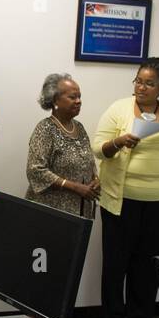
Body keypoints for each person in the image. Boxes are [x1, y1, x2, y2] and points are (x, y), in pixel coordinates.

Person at [93, 58, 159, 318]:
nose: (141, 87)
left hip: (158, 202)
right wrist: (119, 142)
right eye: (138, 80)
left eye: (149, 83)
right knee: (116, 263)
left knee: (146, 264)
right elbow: (98, 149)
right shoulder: (118, 109)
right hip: (119, 200)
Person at [25, 73, 100, 217]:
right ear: (55, 101)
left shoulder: (79, 127)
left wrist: (95, 179)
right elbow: (35, 170)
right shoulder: (45, 129)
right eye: (72, 97)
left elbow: (87, 161)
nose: (78, 101)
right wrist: (74, 187)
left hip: (81, 210)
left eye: (79, 97)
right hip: (51, 212)